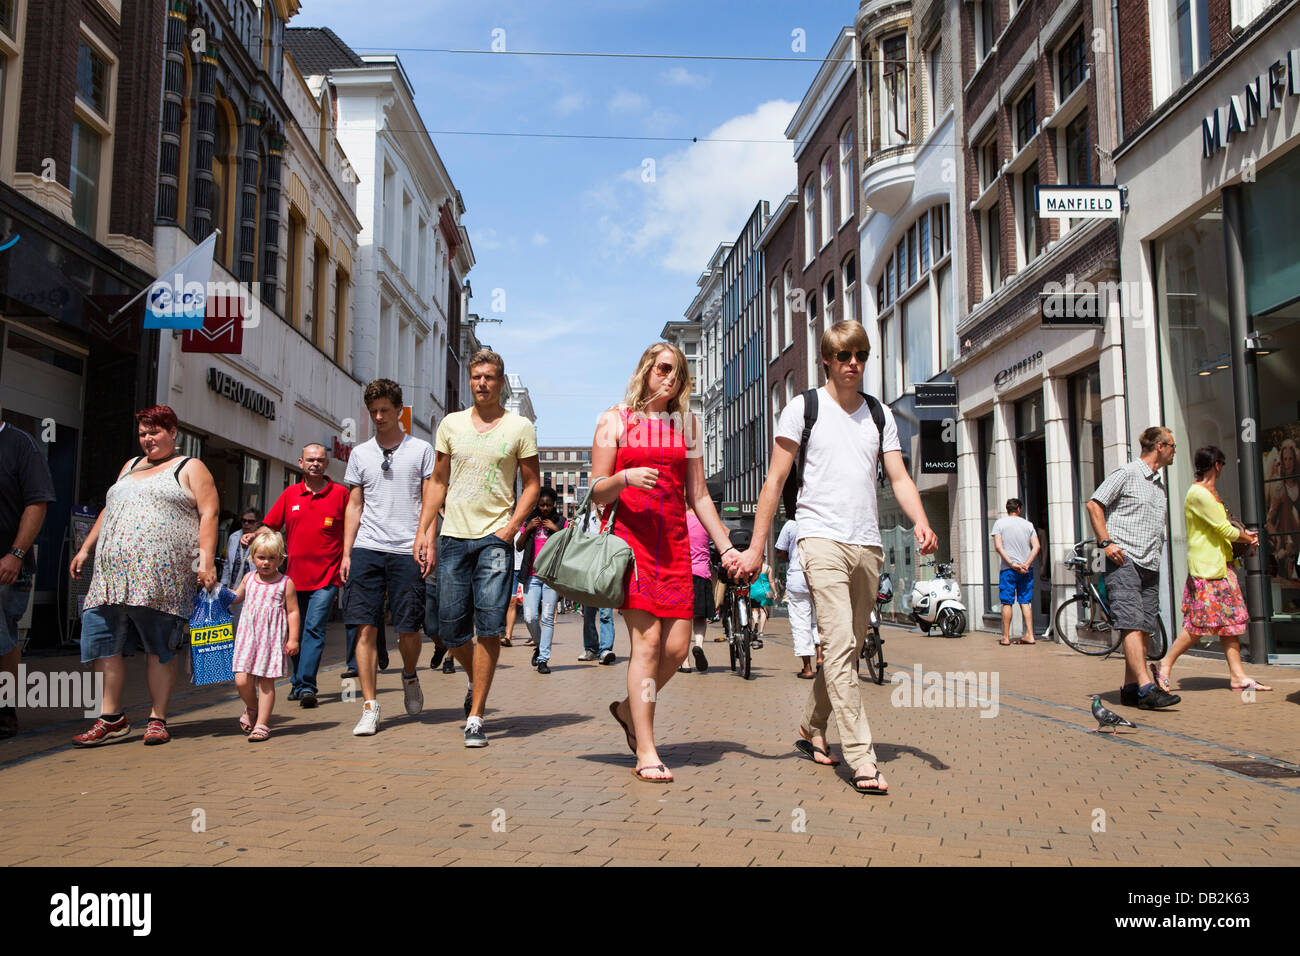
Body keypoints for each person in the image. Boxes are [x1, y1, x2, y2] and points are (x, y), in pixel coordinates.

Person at [733, 321, 939, 795]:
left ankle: (809, 728)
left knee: (848, 645)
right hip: (819, 539)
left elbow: (900, 478)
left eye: (861, 354)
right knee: (840, 643)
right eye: (844, 354)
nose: (853, 363)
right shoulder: (803, 408)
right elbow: (774, 481)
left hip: (867, 544)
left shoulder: (880, 415)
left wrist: (921, 521)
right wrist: (757, 548)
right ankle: (862, 758)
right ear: (827, 359)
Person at [592, 342, 735, 783]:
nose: (670, 377)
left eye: (677, 372)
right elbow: (597, 490)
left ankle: (626, 711)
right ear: (645, 371)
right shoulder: (614, 420)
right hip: (631, 545)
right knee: (648, 644)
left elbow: (699, 495)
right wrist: (624, 478)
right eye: (663, 369)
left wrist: (725, 545)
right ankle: (647, 748)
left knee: (676, 649)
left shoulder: (687, 425)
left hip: (673, 545)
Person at [70, 405, 220, 746]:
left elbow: (209, 513)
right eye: (142, 433)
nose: (147, 439)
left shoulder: (190, 467)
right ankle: (111, 717)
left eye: (154, 432)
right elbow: (111, 509)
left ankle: (158, 718)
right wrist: (86, 548)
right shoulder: (129, 466)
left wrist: (206, 562)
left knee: (159, 646)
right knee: (104, 644)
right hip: (111, 575)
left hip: (160, 577)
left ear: (173, 432)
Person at [423, 350, 540, 748]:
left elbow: (532, 484)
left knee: (489, 627)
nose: (481, 383)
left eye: (489, 377)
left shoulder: (519, 426)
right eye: (475, 377)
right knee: (449, 630)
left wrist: (510, 528)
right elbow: (437, 480)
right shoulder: (450, 425)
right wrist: (425, 531)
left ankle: (476, 715)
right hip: (453, 536)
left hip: (495, 538)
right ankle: (477, 678)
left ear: (501, 382)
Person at [341, 379, 436, 737]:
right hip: (367, 547)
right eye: (373, 411)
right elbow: (354, 504)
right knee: (364, 626)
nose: (379, 417)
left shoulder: (421, 450)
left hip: (406, 549)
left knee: (408, 629)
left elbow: (430, 501)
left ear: (400, 411)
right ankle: (369, 705)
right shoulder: (360, 454)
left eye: (385, 410)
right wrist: (347, 552)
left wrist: (429, 541)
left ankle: (409, 675)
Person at [1155, 446, 1268, 693]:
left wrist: (1244, 536)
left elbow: (1223, 528)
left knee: (1230, 624)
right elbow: (1224, 530)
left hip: (1221, 567)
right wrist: (1247, 539)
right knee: (1198, 625)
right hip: (1206, 571)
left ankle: (1238, 676)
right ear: (1217, 464)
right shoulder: (1199, 494)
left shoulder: (1210, 492)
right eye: (1223, 465)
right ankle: (1164, 664)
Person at [1086, 425, 1181, 710]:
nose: (1175, 451)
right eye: (1173, 446)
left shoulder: (1159, 485)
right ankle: (1146, 688)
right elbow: (1094, 504)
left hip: (1149, 563)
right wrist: (1105, 543)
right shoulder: (1127, 473)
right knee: (1129, 621)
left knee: (1144, 626)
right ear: (1160, 447)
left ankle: (1129, 688)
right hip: (1123, 560)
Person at [247, 443, 347, 708]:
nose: (315, 464)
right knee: (295, 631)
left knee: (314, 629)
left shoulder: (340, 494)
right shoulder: (290, 494)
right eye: (310, 460)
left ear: (327, 465)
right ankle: (297, 681)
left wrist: (348, 561)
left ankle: (306, 685)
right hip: (293, 579)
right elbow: (271, 525)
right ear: (301, 463)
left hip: (327, 577)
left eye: (320, 460)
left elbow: (354, 528)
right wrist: (253, 534)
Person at [0, 408, 56, 739]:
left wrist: (16, 554)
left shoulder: (21, 445)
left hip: (6, 565)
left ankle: (4, 712)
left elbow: (37, 503)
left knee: (3, 638)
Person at [226, 530, 300, 740]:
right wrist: (218, 591)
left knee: (266, 683)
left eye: (271, 558)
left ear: (280, 558)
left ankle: (261, 724)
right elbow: (236, 597)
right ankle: (252, 707)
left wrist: (293, 638)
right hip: (247, 639)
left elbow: (293, 611)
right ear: (252, 558)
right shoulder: (249, 578)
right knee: (241, 680)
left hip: (270, 640)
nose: (266, 562)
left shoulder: (285, 583)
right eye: (261, 557)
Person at [516, 486, 566, 674]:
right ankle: (539, 645)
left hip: (551, 578)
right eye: (542, 504)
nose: (545, 508)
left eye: (549, 505)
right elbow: (519, 547)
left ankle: (543, 658)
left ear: (554, 505)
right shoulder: (530, 521)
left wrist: (556, 530)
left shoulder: (561, 522)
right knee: (529, 617)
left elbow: (568, 547)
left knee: (547, 618)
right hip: (531, 577)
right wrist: (527, 530)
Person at [776, 517, 821, 679]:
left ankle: (807, 668)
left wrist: (791, 556)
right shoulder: (820, 521)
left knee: (801, 624)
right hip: (819, 577)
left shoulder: (791, 525)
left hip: (797, 578)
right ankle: (821, 657)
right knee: (819, 621)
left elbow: (780, 551)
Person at [991, 498, 1041, 646]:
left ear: (1007, 509)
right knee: (1025, 602)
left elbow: (999, 547)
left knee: (1007, 602)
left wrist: (1012, 564)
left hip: (1008, 569)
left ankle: (1006, 637)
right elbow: (1036, 546)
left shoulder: (999, 524)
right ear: (1019, 509)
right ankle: (1030, 635)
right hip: (1026, 570)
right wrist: (1026, 564)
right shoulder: (1028, 524)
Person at [579, 505, 617, 664]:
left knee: (606, 614)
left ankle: (605, 650)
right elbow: (577, 542)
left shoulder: (615, 519)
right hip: (588, 573)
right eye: (600, 500)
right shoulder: (585, 520)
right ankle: (591, 649)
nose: (603, 504)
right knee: (588, 614)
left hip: (606, 573)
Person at [679, 506, 712, 674]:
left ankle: (685, 663)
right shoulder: (706, 519)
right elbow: (724, 533)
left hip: (683, 574)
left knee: (684, 619)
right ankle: (698, 646)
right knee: (700, 617)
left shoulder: (681, 519)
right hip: (703, 574)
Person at [1265, 438, 1299, 580]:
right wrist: (1278, 540)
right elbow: (1269, 520)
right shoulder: (1279, 487)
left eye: (1291, 459)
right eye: (1285, 459)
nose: (1288, 463)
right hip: (1287, 540)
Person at [748, 560, 775, 647]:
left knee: (754, 610)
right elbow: (771, 581)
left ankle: (755, 621)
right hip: (764, 591)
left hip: (754, 590)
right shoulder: (767, 568)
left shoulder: (752, 566)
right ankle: (761, 631)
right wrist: (775, 591)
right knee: (763, 611)